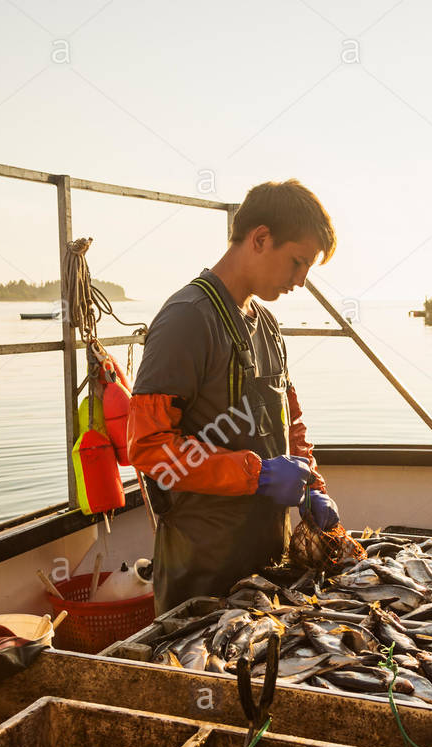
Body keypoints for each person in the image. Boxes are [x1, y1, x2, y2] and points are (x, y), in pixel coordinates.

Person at [127, 180, 340, 614]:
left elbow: (289, 422)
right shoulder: (187, 320)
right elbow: (150, 450)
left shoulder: (268, 324)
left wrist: (311, 486)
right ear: (260, 238)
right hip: (203, 570)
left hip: (266, 562)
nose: (301, 281)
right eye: (297, 262)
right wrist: (257, 475)